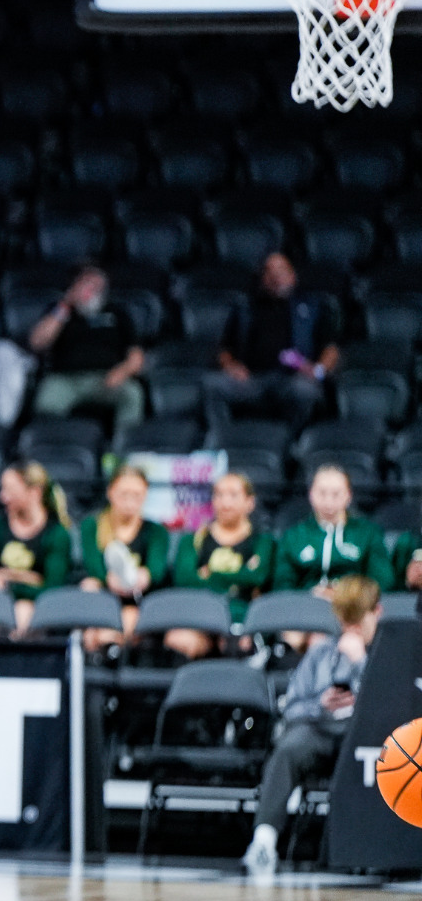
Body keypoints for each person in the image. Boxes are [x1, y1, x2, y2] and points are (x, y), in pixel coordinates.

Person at [243, 575, 380, 875]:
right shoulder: (320, 653)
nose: (352, 631)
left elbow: (395, 708)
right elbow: (292, 707)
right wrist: (322, 703)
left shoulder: (386, 656)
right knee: (290, 747)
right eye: (347, 622)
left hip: (365, 736)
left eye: (360, 622)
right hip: (321, 729)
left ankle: (369, 846)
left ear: (377, 613)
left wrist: (361, 665)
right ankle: (264, 841)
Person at [206, 252, 336, 434]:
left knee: (306, 391)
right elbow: (224, 349)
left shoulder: (312, 308)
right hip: (252, 380)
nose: (276, 276)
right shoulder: (245, 307)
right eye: (269, 271)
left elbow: (330, 349)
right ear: (262, 278)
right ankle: (223, 438)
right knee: (213, 385)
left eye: (281, 270)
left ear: (292, 276)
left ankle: (292, 443)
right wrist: (232, 367)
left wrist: (318, 371)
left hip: (291, 379)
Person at [26, 263, 145, 436]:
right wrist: (66, 305)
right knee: (47, 402)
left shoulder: (117, 313)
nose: (92, 289)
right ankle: (53, 449)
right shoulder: (59, 311)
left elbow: (137, 356)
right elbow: (37, 342)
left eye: (97, 285)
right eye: (87, 283)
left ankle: (123, 449)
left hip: (105, 378)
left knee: (132, 394)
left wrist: (122, 371)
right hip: (65, 379)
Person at [0, 461, 73, 632]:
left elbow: (52, 589)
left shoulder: (56, 534)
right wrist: (28, 578)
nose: (3, 497)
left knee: (22, 610)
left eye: (10, 490)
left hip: (34, 608)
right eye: (3, 489)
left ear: (34, 492)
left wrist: (8, 583)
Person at [167, 472, 273, 658]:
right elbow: (184, 579)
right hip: (200, 614)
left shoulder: (262, 541)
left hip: (243, 615)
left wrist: (212, 575)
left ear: (250, 502)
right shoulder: (193, 539)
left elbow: (258, 576)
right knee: (179, 638)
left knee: (239, 643)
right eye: (219, 495)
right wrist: (239, 578)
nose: (225, 502)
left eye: (233, 495)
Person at [76, 464, 169, 640]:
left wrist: (144, 577)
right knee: (89, 586)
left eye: (136, 495)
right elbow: (94, 565)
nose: (129, 501)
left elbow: (156, 570)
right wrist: (108, 580)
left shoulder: (156, 531)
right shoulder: (92, 526)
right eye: (123, 494)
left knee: (125, 621)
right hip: (104, 595)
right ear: (110, 492)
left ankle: (113, 650)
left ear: (146, 495)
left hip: (138, 597)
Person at [272, 465, 392, 595]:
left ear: (348, 496)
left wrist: (346, 595)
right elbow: (282, 586)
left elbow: (382, 581)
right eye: (322, 493)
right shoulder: (293, 536)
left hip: (353, 608)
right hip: (305, 608)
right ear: (311, 494)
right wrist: (311, 594)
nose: (328, 502)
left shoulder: (368, 533)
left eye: (336, 494)